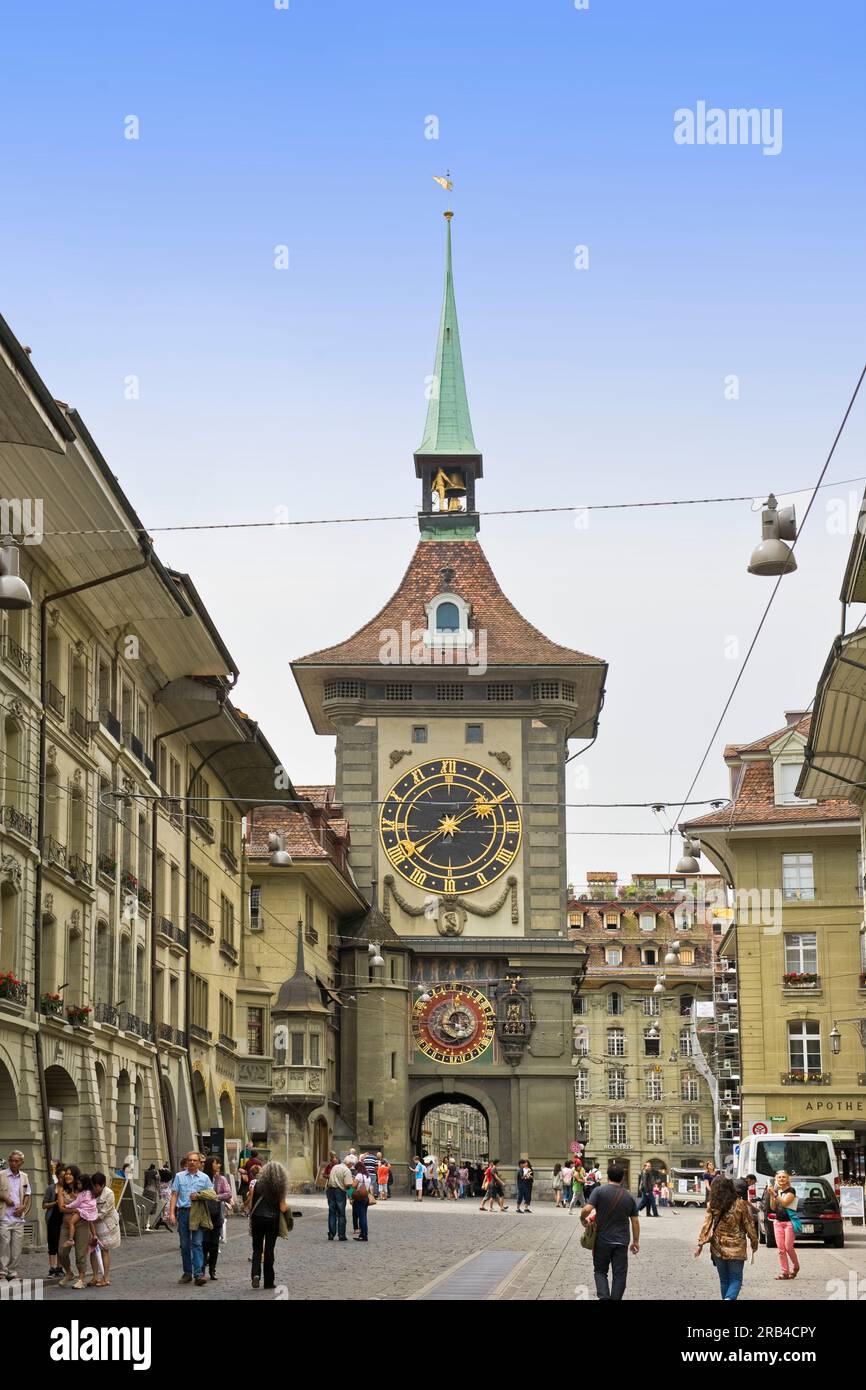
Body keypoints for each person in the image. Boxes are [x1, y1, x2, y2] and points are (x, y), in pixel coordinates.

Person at [581, 1164, 640, 1301]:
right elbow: (635, 1221)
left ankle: (604, 1298)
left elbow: (586, 1209)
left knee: (600, 1271)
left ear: (607, 1176)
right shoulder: (629, 1197)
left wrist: (582, 1218)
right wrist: (635, 1241)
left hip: (602, 1240)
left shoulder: (599, 1191)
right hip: (621, 1241)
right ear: (623, 1178)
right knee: (620, 1274)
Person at [695, 1174, 758, 1300]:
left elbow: (706, 1226)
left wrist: (700, 1244)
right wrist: (754, 1242)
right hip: (737, 1247)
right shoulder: (740, 1204)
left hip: (718, 1247)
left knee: (724, 1280)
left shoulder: (712, 1204)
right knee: (736, 1279)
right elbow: (749, 1224)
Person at [167, 1150, 211, 1286]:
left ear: (199, 1163)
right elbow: (174, 1195)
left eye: (194, 1160)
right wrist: (172, 1213)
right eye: (189, 1160)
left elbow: (212, 1194)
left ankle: (198, 1275)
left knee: (197, 1244)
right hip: (183, 1213)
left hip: (197, 1213)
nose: (192, 1162)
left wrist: (199, 1195)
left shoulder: (204, 1178)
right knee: (185, 1245)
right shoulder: (179, 1176)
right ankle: (187, 1273)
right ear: (187, 1162)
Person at [245, 1160, 291, 1288]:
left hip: (257, 1219)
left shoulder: (257, 1184)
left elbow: (250, 1205)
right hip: (272, 1220)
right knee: (269, 1250)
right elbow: (282, 1208)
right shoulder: (280, 1187)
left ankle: (255, 1275)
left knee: (257, 1249)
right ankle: (269, 1281)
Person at [56, 1166, 91, 1289]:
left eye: (70, 1174)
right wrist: (76, 1209)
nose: (67, 1176)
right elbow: (61, 1208)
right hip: (66, 1223)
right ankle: (69, 1272)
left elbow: (88, 1205)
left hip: (82, 1223)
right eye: (66, 1174)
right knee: (61, 1251)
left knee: (80, 1253)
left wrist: (72, 1208)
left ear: (75, 1176)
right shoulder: (61, 1190)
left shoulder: (82, 1190)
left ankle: (81, 1279)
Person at [0, 1150, 31, 1281]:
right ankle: (2, 1272)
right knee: (4, 1245)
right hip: (4, 1216)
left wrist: (23, 1206)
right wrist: (5, 1198)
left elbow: (27, 1193)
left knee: (17, 1247)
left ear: (21, 1162)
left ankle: (12, 1271)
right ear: (8, 1160)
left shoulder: (24, 1176)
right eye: (11, 1160)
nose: (13, 1163)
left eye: (16, 1161)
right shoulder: (1, 1174)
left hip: (18, 1217)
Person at [764, 1170, 800, 1281]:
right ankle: (785, 1272)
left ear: (787, 1179)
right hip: (778, 1222)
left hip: (789, 1223)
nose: (781, 1179)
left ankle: (796, 1266)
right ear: (776, 1179)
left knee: (788, 1247)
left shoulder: (791, 1191)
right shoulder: (776, 1191)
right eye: (779, 1177)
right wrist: (771, 1195)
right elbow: (773, 1207)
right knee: (781, 1249)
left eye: (784, 1177)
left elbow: (784, 1203)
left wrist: (774, 1194)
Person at [202, 1156, 232, 1279]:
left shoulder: (222, 1179)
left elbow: (228, 1194)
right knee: (204, 1244)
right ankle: (201, 1270)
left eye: (219, 1163)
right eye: (216, 1163)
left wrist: (216, 1197)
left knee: (214, 1245)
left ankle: (212, 1270)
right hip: (204, 1215)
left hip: (217, 1215)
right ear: (210, 1164)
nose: (218, 1165)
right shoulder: (203, 1178)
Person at [91, 1172, 121, 1287]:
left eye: (96, 1186)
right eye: (93, 1185)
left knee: (104, 1249)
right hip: (93, 1224)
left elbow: (104, 1213)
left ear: (102, 1185)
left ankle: (106, 1277)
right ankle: (94, 1276)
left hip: (105, 1224)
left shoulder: (109, 1193)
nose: (95, 1188)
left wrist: (90, 1218)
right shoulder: (91, 1193)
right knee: (93, 1250)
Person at [42, 1159, 65, 1279]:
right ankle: (52, 1268)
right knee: (52, 1244)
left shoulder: (68, 1189)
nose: (63, 1179)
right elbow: (44, 1205)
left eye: (64, 1177)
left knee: (62, 1245)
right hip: (53, 1220)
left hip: (65, 1220)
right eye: (61, 1177)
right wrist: (55, 1202)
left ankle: (60, 1268)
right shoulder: (51, 1188)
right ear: (57, 1177)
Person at [326, 1156, 353, 1239]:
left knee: (332, 1213)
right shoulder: (347, 1170)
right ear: (349, 1164)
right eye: (351, 1164)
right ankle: (341, 1235)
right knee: (341, 1214)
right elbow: (348, 1185)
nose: (352, 1166)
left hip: (331, 1190)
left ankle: (331, 1234)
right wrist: (350, 1195)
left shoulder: (335, 1167)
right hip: (340, 1192)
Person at [351, 1165, 371, 1242]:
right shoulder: (368, 1176)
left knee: (361, 1217)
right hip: (365, 1198)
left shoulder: (359, 1175)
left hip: (359, 1198)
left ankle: (364, 1236)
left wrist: (349, 1195)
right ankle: (362, 1235)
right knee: (364, 1217)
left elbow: (353, 1186)